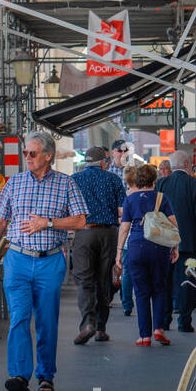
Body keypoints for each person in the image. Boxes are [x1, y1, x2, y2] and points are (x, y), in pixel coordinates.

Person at [0, 132, 87, 391]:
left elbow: (80, 221)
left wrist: (48, 223)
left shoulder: (66, 183)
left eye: (33, 153)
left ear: (48, 156)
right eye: (25, 153)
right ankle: (19, 375)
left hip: (49, 261)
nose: (27, 157)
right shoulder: (14, 183)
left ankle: (46, 375)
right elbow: (1, 221)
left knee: (46, 321)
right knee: (19, 317)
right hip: (17, 259)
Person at [116, 164, 179, 346]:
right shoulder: (161, 197)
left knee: (141, 292)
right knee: (159, 288)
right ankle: (158, 328)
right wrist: (175, 246)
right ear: (154, 180)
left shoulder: (130, 200)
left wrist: (119, 252)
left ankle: (144, 336)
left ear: (137, 180)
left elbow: (124, 228)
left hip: (136, 248)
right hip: (159, 247)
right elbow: (173, 224)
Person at [70, 145, 126, 344]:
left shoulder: (74, 180)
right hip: (108, 234)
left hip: (84, 233)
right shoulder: (113, 179)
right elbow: (122, 211)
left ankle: (88, 324)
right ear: (103, 162)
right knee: (104, 281)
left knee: (85, 280)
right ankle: (101, 329)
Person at [154, 149, 196, 332]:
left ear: (172, 166)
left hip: (164, 242)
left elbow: (155, 213)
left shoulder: (161, 183)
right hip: (189, 243)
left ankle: (164, 321)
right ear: (187, 164)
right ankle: (184, 322)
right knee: (187, 280)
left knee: (165, 281)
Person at [119, 164, 140, 315]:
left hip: (126, 241)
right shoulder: (145, 195)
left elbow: (121, 219)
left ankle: (127, 304)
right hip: (142, 239)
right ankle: (141, 300)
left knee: (126, 272)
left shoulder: (124, 196)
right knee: (141, 272)